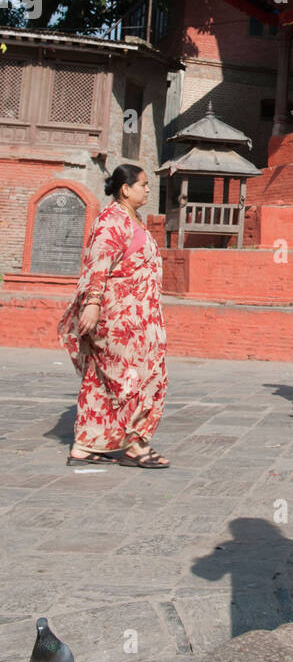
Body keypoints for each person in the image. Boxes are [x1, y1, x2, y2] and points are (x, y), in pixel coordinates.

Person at [58, 164, 169, 468]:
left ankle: (84, 445)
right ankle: (135, 445)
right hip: (120, 320)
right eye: (143, 185)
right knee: (138, 378)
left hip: (139, 316)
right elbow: (98, 265)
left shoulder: (132, 219)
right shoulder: (111, 221)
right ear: (125, 189)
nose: (148, 189)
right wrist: (92, 304)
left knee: (101, 379)